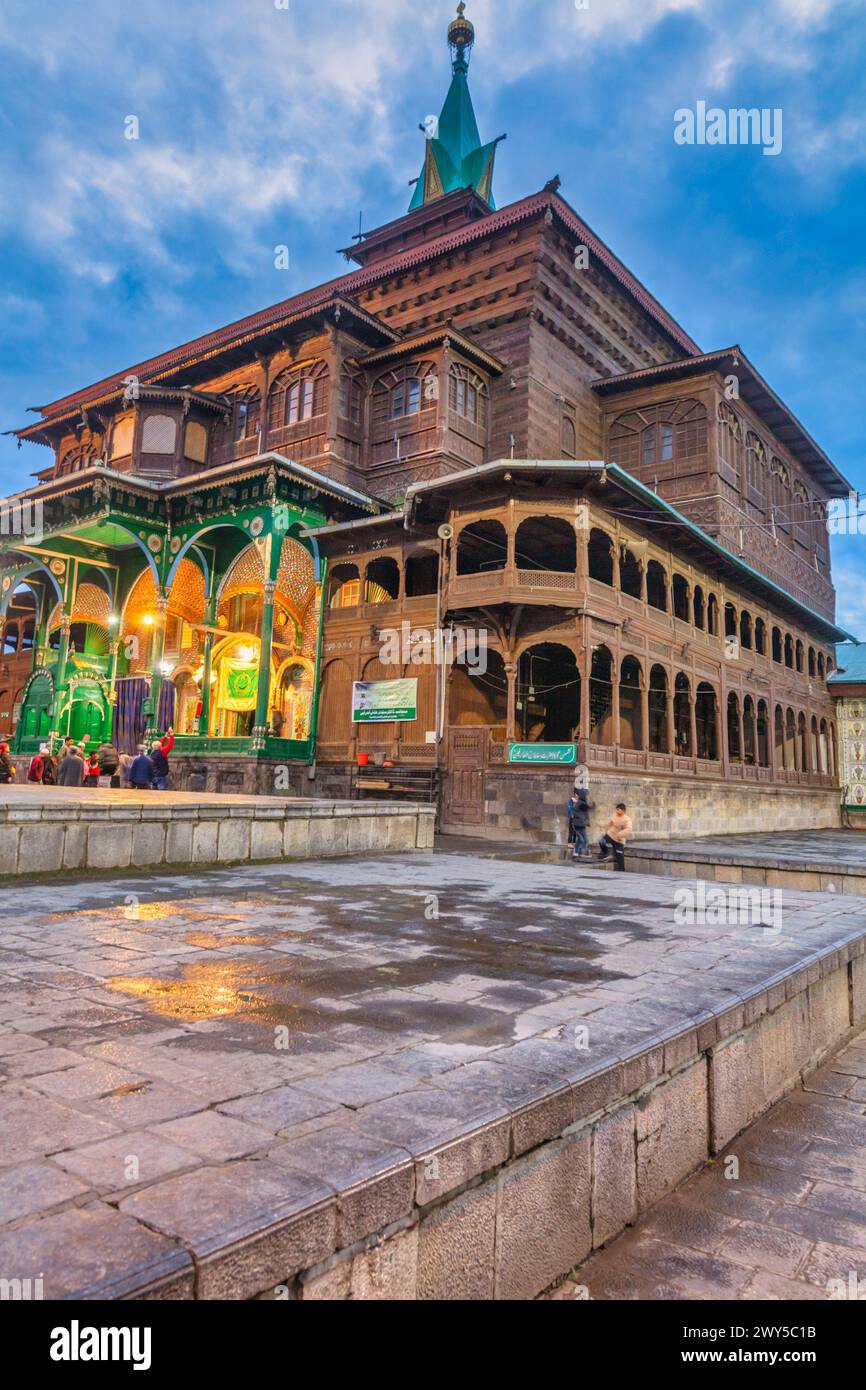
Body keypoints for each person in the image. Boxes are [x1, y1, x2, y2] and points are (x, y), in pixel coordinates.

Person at [598, 802, 633, 872]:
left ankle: (621, 871)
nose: (617, 811)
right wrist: (602, 824)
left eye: (618, 810)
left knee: (620, 856)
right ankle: (605, 853)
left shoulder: (627, 819)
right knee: (601, 841)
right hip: (611, 835)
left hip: (619, 839)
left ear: (623, 810)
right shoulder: (615, 815)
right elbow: (609, 822)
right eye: (616, 809)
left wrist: (620, 834)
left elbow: (629, 829)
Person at [567, 786, 594, 860]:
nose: (588, 796)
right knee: (584, 840)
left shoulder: (581, 803)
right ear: (583, 795)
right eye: (587, 795)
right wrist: (593, 806)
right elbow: (587, 807)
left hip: (581, 825)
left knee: (580, 840)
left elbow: (585, 812)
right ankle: (584, 853)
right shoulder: (580, 803)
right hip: (578, 825)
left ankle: (576, 852)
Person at [150, 727, 174, 791]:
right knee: (162, 793)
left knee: (154, 792)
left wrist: (165, 737)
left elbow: (161, 745)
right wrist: (171, 735)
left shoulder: (152, 753)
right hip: (161, 776)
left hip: (154, 776)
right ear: (160, 746)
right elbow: (170, 745)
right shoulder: (162, 752)